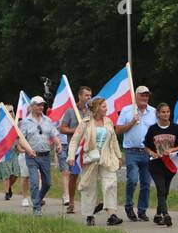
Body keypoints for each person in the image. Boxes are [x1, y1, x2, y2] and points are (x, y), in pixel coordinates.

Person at [71, 96, 123, 225]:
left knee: (110, 184)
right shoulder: (86, 122)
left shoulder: (108, 122)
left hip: (107, 158)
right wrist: (71, 156)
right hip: (90, 159)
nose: (107, 109)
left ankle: (112, 216)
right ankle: (89, 216)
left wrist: (119, 156)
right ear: (97, 108)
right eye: (104, 106)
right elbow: (75, 140)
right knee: (89, 187)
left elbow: (114, 140)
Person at [116, 86, 156, 222]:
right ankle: (128, 206)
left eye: (146, 95)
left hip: (147, 151)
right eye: (142, 95)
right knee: (132, 180)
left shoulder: (153, 112)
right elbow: (118, 129)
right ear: (136, 96)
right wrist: (132, 122)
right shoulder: (127, 111)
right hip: (132, 151)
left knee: (146, 183)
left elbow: (156, 132)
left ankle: (142, 210)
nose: (144, 98)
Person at [144, 102, 178, 226]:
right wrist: (152, 153)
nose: (166, 114)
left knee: (165, 190)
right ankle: (166, 214)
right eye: (163, 112)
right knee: (161, 189)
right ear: (158, 114)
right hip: (156, 163)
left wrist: (172, 150)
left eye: (168, 112)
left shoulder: (175, 128)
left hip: (170, 163)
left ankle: (157, 215)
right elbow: (146, 146)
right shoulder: (153, 129)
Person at [17, 96, 59, 216]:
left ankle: (38, 199)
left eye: (42, 105)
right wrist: (27, 149)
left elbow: (53, 135)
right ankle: (36, 208)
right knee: (34, 181)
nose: (41, 107)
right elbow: (21, 139)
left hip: (45, 155)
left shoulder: (48, 120)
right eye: (38, 105)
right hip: (32, 156)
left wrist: (59, 144)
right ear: (32, 106)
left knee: (47, 183)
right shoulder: (25, 122)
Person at [61, 86, 92, 212]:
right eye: (86, 95)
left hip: (88, 148)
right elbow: (62, 128)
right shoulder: (70, 111)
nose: (88, 98)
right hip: (75, 148)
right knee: (74, 175)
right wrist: (76, 130)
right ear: (79, 96)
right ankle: (71, 202)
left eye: (90, 95)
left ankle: (90, 202)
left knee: (89, 175)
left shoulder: (92, 111)